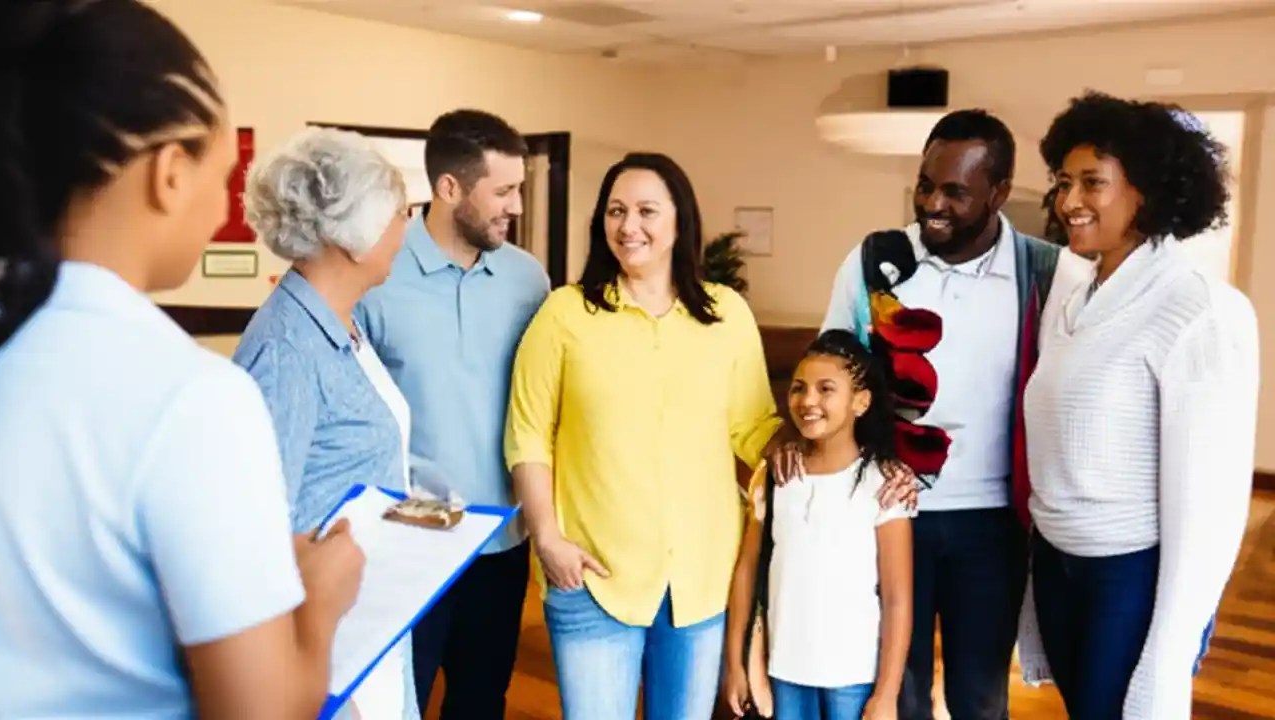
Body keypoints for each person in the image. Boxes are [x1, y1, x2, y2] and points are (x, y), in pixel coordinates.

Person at [0, 1, 363, 718]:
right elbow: (260, 710)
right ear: (168, 173)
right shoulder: (192, 397)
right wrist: (319, 607)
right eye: (223, 177)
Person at [504, 151, 784, 719]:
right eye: (615, 211)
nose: (628, 226)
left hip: (702, 582)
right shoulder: (565, 313)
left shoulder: (726, 315)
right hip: (592, 576)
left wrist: (842, 452)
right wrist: (549, 541)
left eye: (646, 211)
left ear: (680, 220)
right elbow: (527, 434)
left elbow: (754, 426)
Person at [820, 109, 1065, 720]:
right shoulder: (875, 259)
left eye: (956, 191)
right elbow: (830, 370)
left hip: (992, 526)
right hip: (888, 513)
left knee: (979, 699)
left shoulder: (1044, 272)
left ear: (999, 193)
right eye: (925, 184)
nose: (934, 203)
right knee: (895, 690)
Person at [1023, 91, 1259, 720]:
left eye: (1092, 183)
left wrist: (1174, 641)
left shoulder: (1201, 309)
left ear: (1149, 192)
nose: (1069, 202)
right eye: (1063, 182)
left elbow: (1210, 509)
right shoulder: (1073, 300)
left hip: (1128, 576)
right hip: (1057, 563)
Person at [354, 108, 548, 719]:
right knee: (397, 702)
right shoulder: (376, 274)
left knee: (481, 702)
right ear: (448, 188)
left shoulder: (528, 279)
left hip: (501, 542)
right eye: (504, 191)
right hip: (407, 540)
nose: (516, 205)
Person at [231, 127, 416, 719]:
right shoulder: (286, 349)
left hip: (370, 615)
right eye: (399, 215)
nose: (406, 230)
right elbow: (257, 527)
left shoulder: (341, 323)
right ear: (355, 237)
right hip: (327, 640)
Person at [724, 330, 914, 720]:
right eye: (798, 388)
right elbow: (746, 572)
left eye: (826, 389)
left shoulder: (883, 485)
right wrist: (735, 664)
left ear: (861, 402)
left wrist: (887, 694)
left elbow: (897, 598)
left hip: (854, 676)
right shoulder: (775, 477)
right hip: (785, 672)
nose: (808, 400)